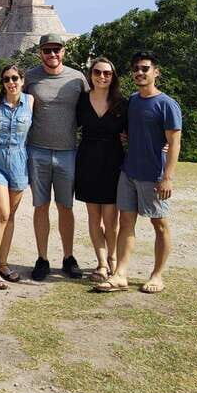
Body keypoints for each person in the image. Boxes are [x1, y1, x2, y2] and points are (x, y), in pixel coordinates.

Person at [94, 51, 181, 294]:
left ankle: (157, 275)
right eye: (136, 69)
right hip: (129, 171)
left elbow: (174, 143)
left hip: (153, 175)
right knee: (126, 224)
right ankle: (120, 274)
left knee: (160, 224)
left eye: (145, 68)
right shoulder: (132, 101)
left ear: (156, 72)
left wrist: (167, 177)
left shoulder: (167, 104)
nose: (140, 73)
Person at [25, 33, 89, 281]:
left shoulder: (77, 78)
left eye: (56, 50)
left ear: (64, 52)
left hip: (67, 152)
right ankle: (42, 258)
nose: (52, 55)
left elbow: (93, 108)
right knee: (40, 206)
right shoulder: (30, 77)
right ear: (40, 52)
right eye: (47, 50)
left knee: (66, 206)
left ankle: (68, 256)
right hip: (37, 150)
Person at [75, 57, 127, 283]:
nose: (102, 76)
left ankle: (113, 259)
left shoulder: (121, 103)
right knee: (94, 218)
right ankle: (102, 263)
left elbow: (136, 130)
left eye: (107, 73)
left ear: (113, 76)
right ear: (91, 75)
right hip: (87, 161)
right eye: (97, 72)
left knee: (111, 219)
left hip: (113, 162)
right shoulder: (81, 100)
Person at [0, 64, 33, 290]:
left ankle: (3, 262)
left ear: (22, 80)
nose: (11, 82)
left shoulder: (30, 102)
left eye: (15, 78)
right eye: (6, 79)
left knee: (10, 216)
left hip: (19, 161)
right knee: (1, 214)